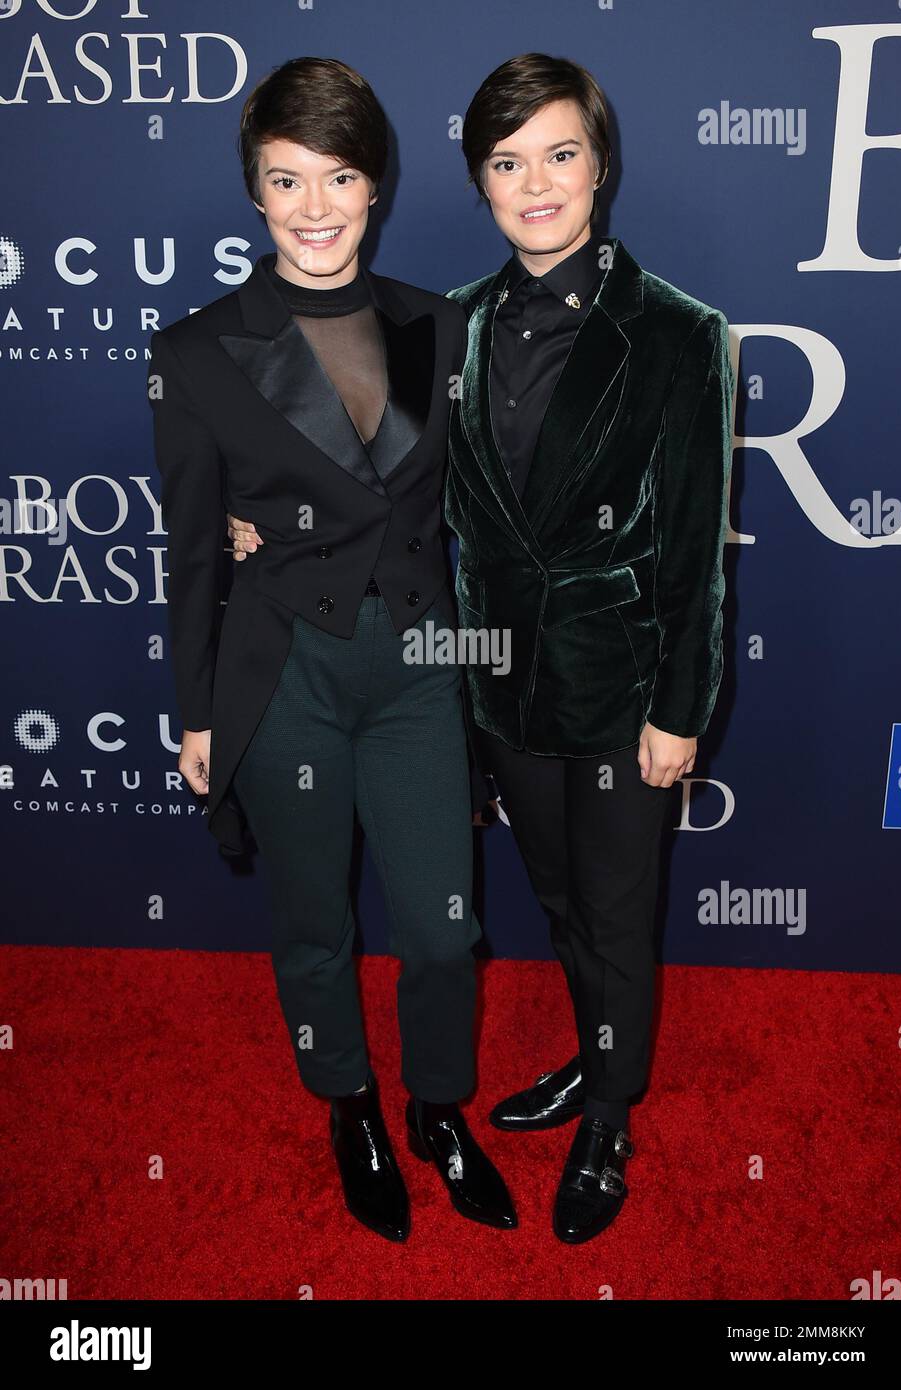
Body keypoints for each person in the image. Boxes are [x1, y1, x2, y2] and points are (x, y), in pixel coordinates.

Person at [229, 52, 736, 1245]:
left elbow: (697, 551)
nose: (537, 184)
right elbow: (380, 498)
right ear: (480, 184)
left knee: (617, 909)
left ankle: (609, 1110)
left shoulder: (679, 335)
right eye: (508, 163)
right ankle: (589, 1050)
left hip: (620, 688)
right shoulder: (441, 329)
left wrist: (681, 709)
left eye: (561, 154)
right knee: (559, 897)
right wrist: (261, 519)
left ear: (600, 166)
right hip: (496, 680)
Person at [148, 55, 516, 1244]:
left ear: (377, 185)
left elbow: (484, 514)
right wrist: (198, 709)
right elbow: (194, 546)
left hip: (416, 664)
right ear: (255, 192)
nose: (314, 209)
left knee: (443, 926)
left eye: (339, 177)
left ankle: (438, 1106)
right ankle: (348, 1100)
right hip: (284, 673)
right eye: (285, 180)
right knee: (313, 921)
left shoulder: (440, 323)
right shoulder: (200, 350)